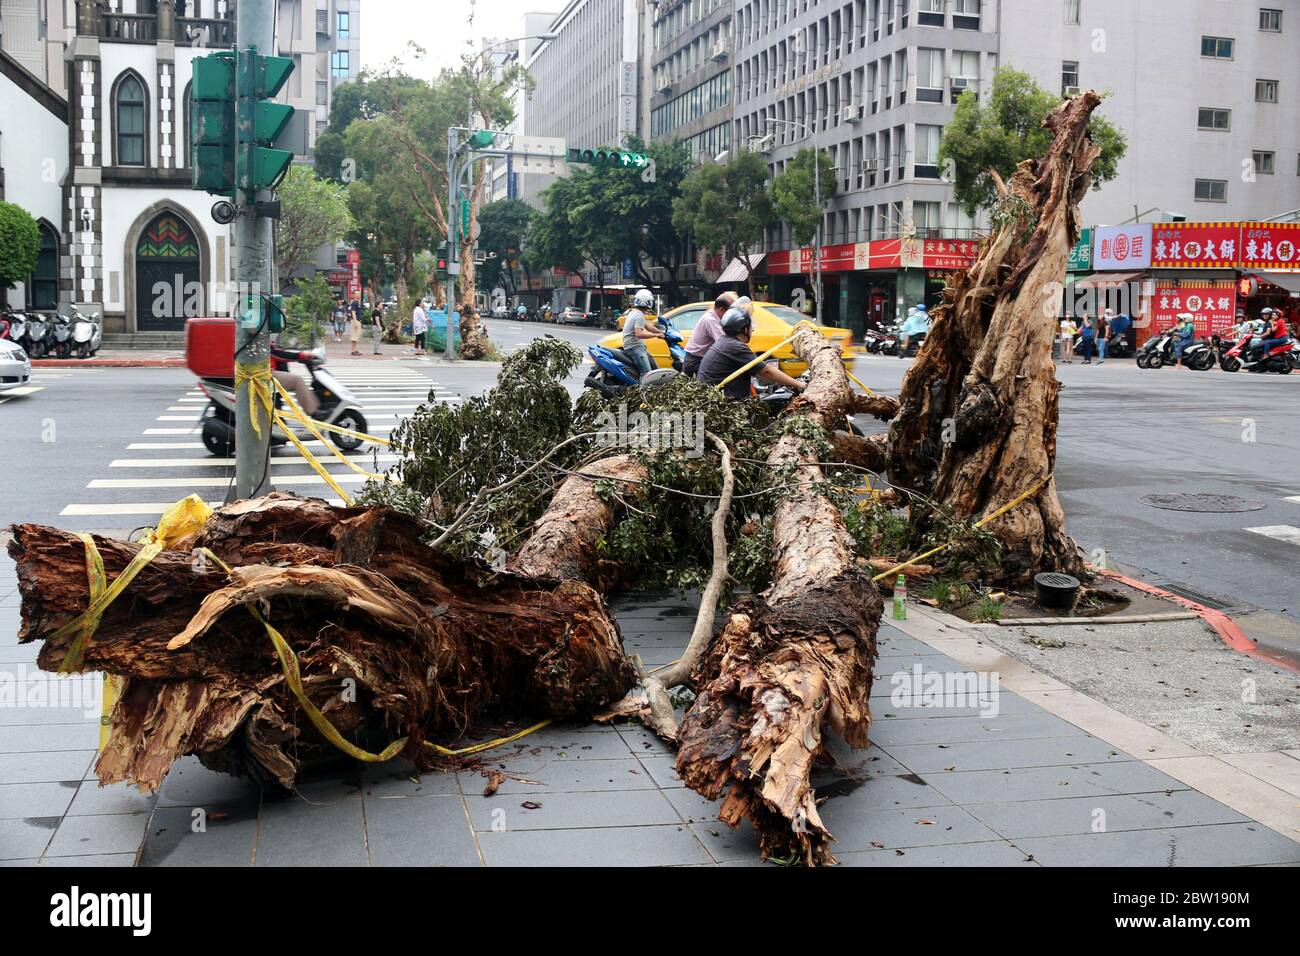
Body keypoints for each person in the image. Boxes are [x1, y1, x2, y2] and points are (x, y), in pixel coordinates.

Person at [697, 308, 808, 400]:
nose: (752, 329)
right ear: (745, 329)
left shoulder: (724, 341)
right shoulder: (735, 347)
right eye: (750, 326)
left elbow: (758, 372)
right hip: (724, 404)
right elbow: (767, 371)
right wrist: (799, 384)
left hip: (713, 399)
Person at [683, 291, 739, 378]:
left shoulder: (716, 317)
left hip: (700, 358)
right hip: (696, 361)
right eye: (730, 312)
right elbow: (723, 341)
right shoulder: (710, 320)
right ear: (721, 310)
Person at [621, 288, 664, 379]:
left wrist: (662, 332)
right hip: (635, 347)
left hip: (636, 346)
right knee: (647, 374)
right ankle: (642, 392)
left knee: (654, 368)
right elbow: (639, 334)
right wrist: (656, 335)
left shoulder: (634, 313)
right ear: (648, 302)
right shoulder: (639, 315)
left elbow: (649, 327)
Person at [270, 343, 320, 417]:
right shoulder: (261, 338)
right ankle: (314, 412)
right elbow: (276, 354)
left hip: (265, 372)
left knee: (279, 390)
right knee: (296, 381)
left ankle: (277, 415)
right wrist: (302, 355)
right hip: (265, 373)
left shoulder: (267, 340)